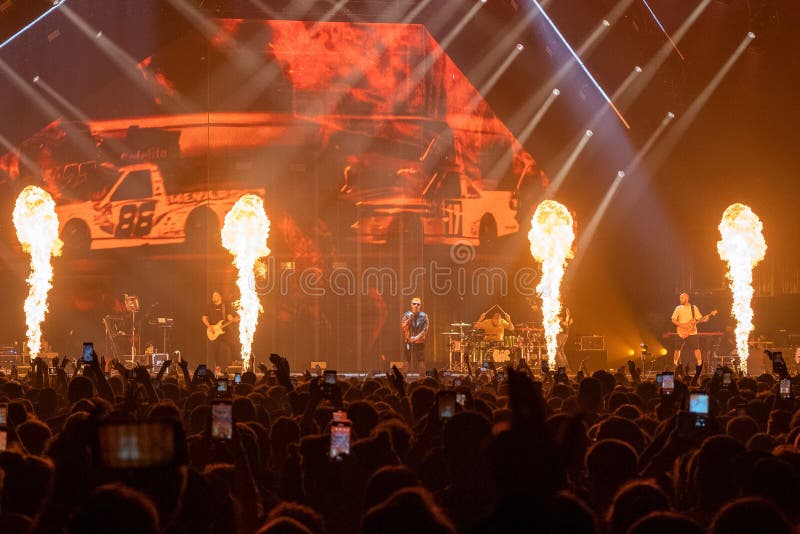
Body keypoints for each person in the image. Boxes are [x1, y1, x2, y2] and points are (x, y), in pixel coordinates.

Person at [671, 292, 715, 374]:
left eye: (682, 298)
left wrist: (707, 318)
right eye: (680, 298)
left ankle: (699, 364)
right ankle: (675, 363)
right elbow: (673, 320)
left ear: (687, 298)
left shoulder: (693, 308)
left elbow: (700, 318)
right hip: (681, 331)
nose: (680, 300)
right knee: (677, 349)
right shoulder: (678, 308)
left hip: (692, 332)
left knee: (696, 348)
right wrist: (683, 325)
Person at [202, 290, 238, 370]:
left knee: (232, 344)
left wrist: (234, 319)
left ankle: (234, 361)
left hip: (224, 329)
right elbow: (204, 318)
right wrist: (210, 327)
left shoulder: (225, 306)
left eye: (215, 295)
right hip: (213, 330)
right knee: (214, 349)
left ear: (220, 297)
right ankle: (217, 366)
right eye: (213, 295)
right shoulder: (209, 306)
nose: (213, 297)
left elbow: (229, 317)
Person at [401, 297, 429, 374]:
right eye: (414, 304)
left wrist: (417, 337)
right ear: (411, 305)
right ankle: (403, 379)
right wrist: (409, 319)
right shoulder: (407, 315)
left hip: (419, 342)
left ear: (420, 306)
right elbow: (403, 326)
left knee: (421, 361)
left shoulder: (424, 316)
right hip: (408, 341)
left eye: (418, 304)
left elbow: (425, 329)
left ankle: (422, 379)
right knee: (406, 360)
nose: (416, 305)